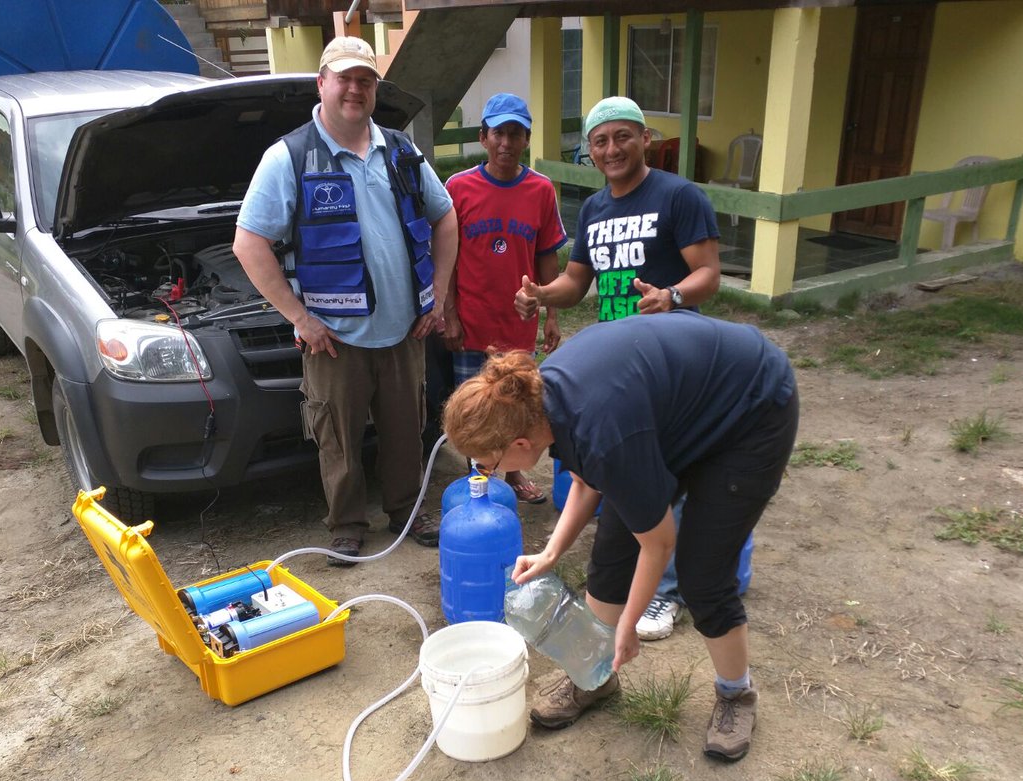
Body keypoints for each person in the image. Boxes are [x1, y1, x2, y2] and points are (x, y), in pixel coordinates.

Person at [442, 313, 798, 762]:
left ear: (518, 446)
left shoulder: (601, 428)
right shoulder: (540, 403)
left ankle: (736, 694)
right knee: (611, 550)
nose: (490, 472)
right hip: (673, 414)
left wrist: (628, 626)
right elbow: (589, 480)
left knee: (703, 574)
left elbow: (659, 543)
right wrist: (552, 552)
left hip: (751, 410)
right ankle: (596, 676)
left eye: (489, 463)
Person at [234, 36, 458, 566]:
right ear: (322, 84)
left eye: (366, 80)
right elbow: (249, 243)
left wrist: (439, 295)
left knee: (408, 430)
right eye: (344, 78)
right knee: (338, 437)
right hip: (334, 340)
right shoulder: (288, 156)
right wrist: (299, 318)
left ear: (375, 89)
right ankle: (347, 525)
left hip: (404, 330)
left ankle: (406, 510)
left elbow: (445, 216)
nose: (355, 89)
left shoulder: (401, 152)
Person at [514, 96, 722, 639]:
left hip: (670, 358)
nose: (611, 149)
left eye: (623, 137)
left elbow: (709, 274)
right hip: (617, 364)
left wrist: (673, 295)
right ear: (590, 151)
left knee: (666, 472)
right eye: (600, 141)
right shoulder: (595, 209)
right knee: (621, 471)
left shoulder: (678, 196)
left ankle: (667, 593)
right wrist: (542, 295)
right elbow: (576, 282)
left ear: (645, 138)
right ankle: (634, 571)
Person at [443, 92, 567, 504]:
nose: (506, 143)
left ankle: (512, 477)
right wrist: (450, 315)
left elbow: (547, 255)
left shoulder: (541, 190)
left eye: (516, 134)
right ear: (483, 137)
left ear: (527, 139)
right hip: (472, 320)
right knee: (475, 407)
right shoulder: (458, 188)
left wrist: (551, 315)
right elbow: (447, 258)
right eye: (499, 133)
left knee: (519, 406)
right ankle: (481, 485)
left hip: (518, 325)